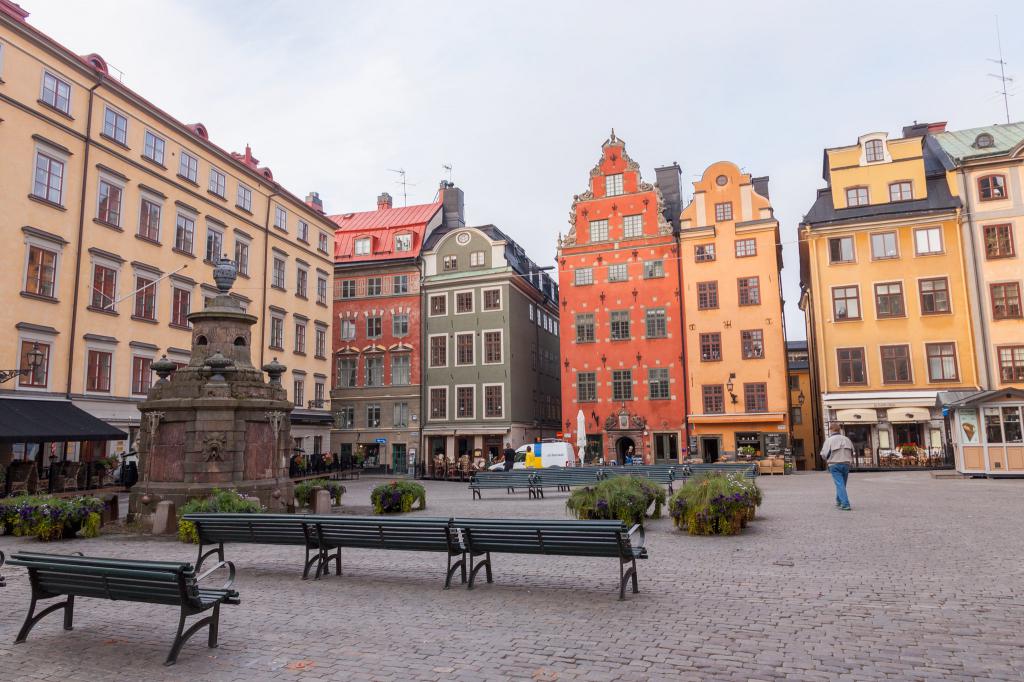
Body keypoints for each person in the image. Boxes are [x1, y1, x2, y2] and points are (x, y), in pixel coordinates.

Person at [820, 423, 854, 510]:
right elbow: (852, 452)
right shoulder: (847, 439)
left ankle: (845, 504)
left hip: (834, 464)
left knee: (840, 484)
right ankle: (839, 500)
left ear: (831, 430)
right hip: (846, 464)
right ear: (839, 430)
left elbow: (824, 454)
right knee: (842, 484)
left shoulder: (829, 440)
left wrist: (827, 460)